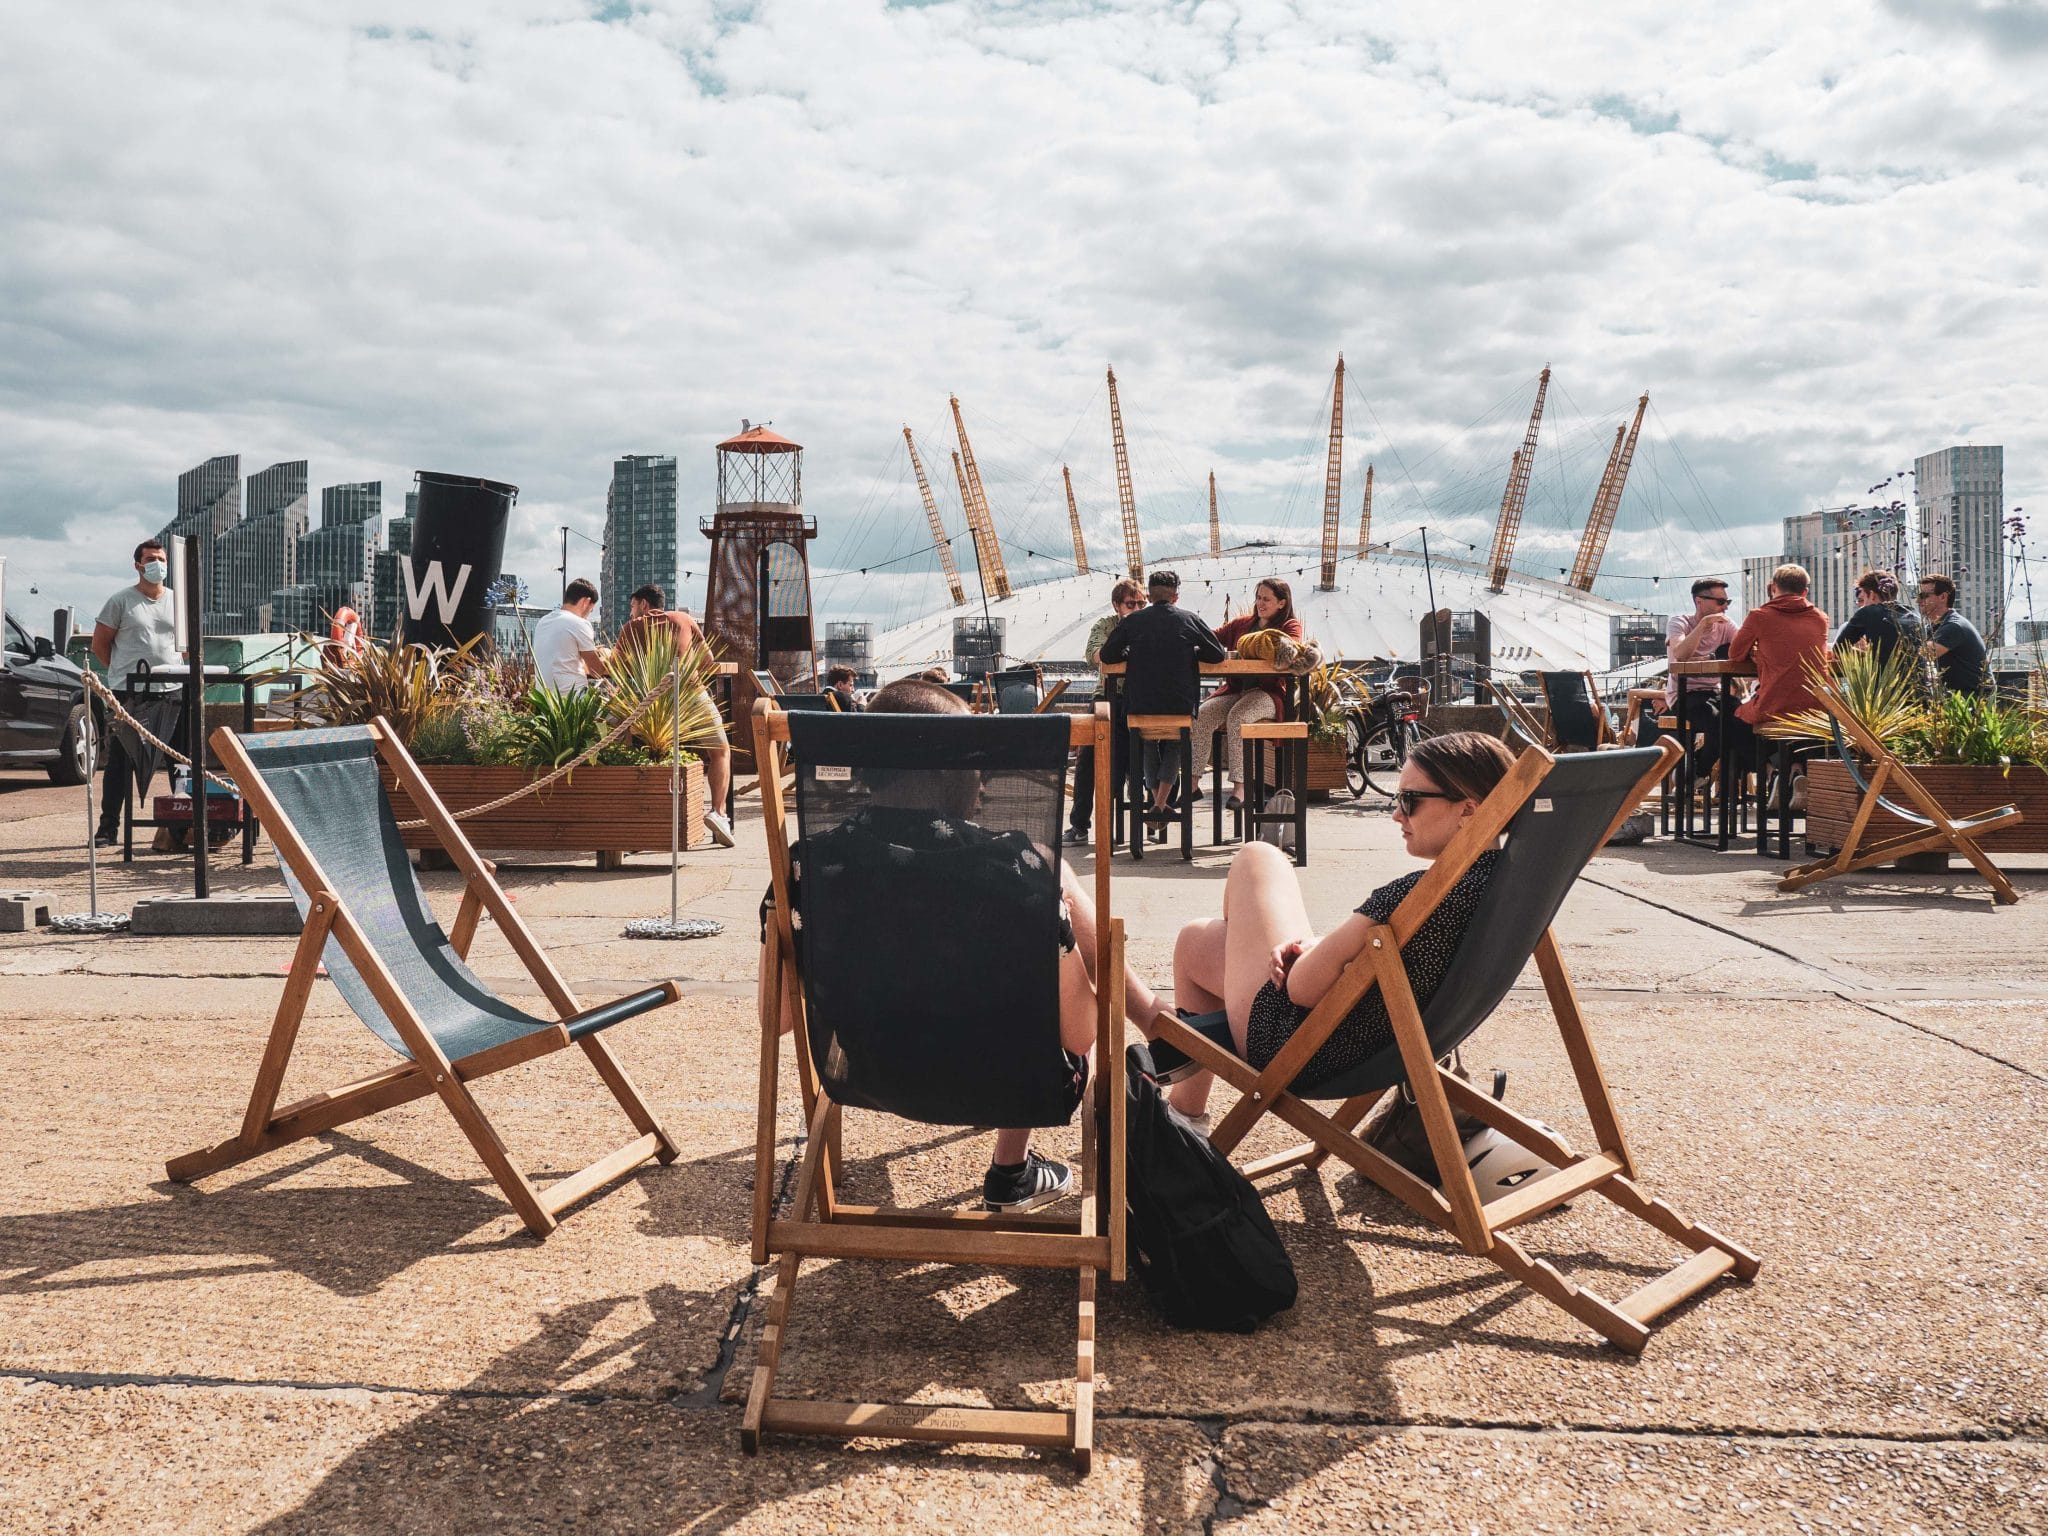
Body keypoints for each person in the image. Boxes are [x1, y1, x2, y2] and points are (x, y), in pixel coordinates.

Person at [756, 676, 1173, 1211]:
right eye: (974, 761)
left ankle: (1155, 1021)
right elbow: (1080, 1032)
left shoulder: (803, 868)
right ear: (946, 768)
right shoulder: (1014, 866)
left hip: (867, 1075)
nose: (983, 777)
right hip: (1008, 1080)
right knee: (1056, 885)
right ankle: (1013, 1168)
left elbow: (778, 1019)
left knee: (1052, 881)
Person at [1153, 732, 1517, 1123]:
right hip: (1382, 1047)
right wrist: (1322, 948)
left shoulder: (1417, 895)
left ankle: (1183, 1117)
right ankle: (1183, 1116)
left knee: (1257, 857)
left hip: (1302, 1047)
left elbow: (1302, 988)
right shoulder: (1502, 884)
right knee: (1197, 941)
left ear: (1468, 810)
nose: (1397, 815)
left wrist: (1311, 956)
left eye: (1410, 801)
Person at [1097, 570, 1227, 838]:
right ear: (1176, 596)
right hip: (1179, 706)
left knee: (1146, 742)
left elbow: (1108, 655)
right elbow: (1217, 654)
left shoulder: (1133, 621)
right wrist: (1193, 651)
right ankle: (1160, 803)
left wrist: (1128, 652)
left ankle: (1157, 803)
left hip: (1140, 706)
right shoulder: (1189, 619)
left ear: (1149, 594)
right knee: (1177, 742)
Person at [615, 583, 734, 848]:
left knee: (624, 745)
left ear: (644, 604)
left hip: (650, 703)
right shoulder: (684, 619)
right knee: (720, 750)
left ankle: (637, 822)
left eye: (632, 606)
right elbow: (707, 660)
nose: (631, 613)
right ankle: (718, 813)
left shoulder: (632, 628)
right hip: (690, 693)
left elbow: (616, 666)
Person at [88, 540, 183, 847]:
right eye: (151, 559)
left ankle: (183, 825)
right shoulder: (121, 601)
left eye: (162, 559)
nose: (158, 564)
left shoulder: (177, 601)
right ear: (138, 565)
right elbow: (100, 645)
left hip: (171, 691)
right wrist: (120, 673)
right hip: (128, 694)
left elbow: (186, 646)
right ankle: (108, 828)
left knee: (180, 760)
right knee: (120, 761)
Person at [1191, 578, 1304, 809]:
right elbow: (1211, 637)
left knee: (1238, 717)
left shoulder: (1290, 626)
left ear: (1282, 603)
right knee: (1202, 714)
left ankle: (1241, 788)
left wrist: (1253, 647)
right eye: (1258, 598)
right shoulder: (1241, 624)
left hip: (1269, 694)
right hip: (1236, 690)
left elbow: (1290, 650)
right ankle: (1192, 785)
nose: (1260, 603)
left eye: (1266, 599)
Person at [1728, 563, 1830, 810]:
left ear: (1773, 588)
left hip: (1774, 704)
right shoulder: (1820, 618)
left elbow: (1735, 654)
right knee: (1795, 719)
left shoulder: (1759, 616)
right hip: (1818, 707)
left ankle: (1775, 773)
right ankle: (1795, 769)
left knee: (1733, 723)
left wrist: (1758, 651)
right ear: (1805, 592)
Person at [1065, 579, 1144, 845]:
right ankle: (1079, 825)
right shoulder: (1106, 625)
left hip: (1138, 699)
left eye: (1141, 604)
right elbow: (1095, 655)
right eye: (1131, 604)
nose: (1137, 608)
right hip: (1107, 697)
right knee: (1087, 758)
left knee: (1137, 754)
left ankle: (1146, 812)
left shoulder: (1149, 624)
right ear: (1116, 605)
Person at [1663, 577, 1739, 799]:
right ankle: (1697, 772)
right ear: (1699, 601)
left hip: (1714, 691)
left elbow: (1744, 646)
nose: (1725, 607)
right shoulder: (1679, 622)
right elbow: (1680, 654)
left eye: (1727, 602)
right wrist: (1704, 624)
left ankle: (1697, 769)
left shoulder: (1726, 625)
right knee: (1718, 723)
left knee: (1742, 720)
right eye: (1720, 602)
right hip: (1684, 693)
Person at [1835, 570, 1923, 670]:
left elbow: (1839, 648)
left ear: (1872, 595)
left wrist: (1866, 655)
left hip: (1886, 677)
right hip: (1919, 677)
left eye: (1863, 598)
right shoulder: (1913, 612)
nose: (1863, 604)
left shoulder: (1867, 612)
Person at [1916, 573, 1988, 694]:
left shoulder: (1953, 626)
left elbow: (1920, 657)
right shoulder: (1935, 627)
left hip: (1972, 698)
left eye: (1924, 596)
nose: (1918, 601)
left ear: (1943, 597)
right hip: (1956, 695)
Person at [531, 579, 605, 694]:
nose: (588, 615)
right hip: (573, 699)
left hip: (544, 699)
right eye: (590, 610)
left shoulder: (542, 622)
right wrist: (605, 657)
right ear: (586, 602)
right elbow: (596, 671)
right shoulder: (579, 623)